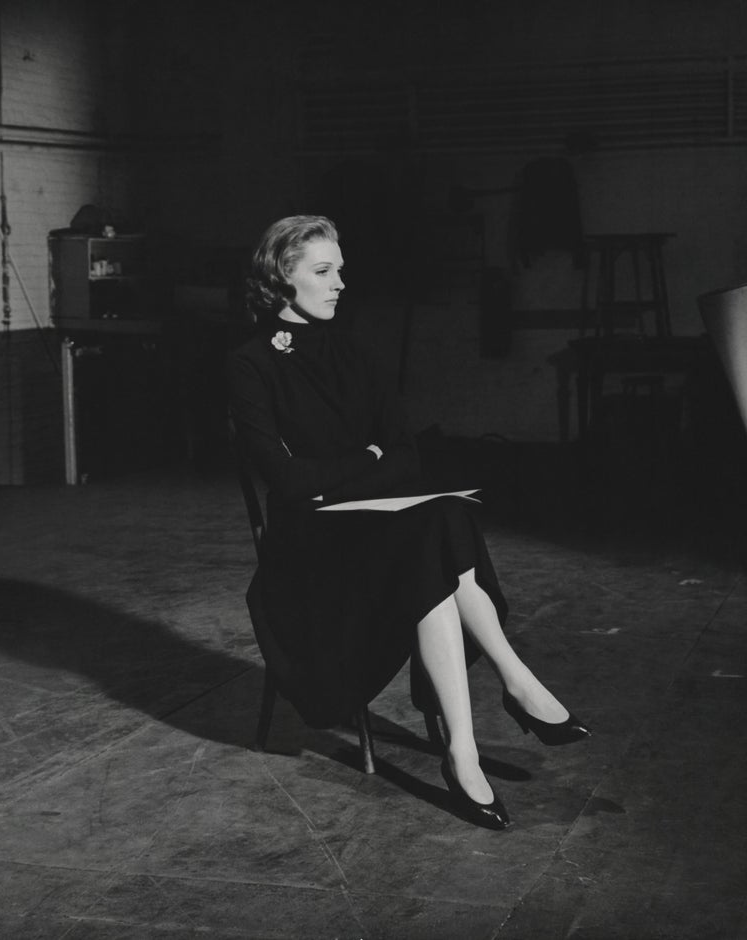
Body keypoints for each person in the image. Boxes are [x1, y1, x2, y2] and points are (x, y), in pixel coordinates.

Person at [229, 215, 590, 831]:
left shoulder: (355, 350)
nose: (341, 282)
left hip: (371, 523)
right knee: (434, 534)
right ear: (280, 278)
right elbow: (288, 484)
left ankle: (467, 748)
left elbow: (406, 454)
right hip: (309, 544)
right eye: (323, 271)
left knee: (442, 514)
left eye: (340, 268)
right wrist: (367, 461)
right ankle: (512, 691)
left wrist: (344, 472)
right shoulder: (251, 363)